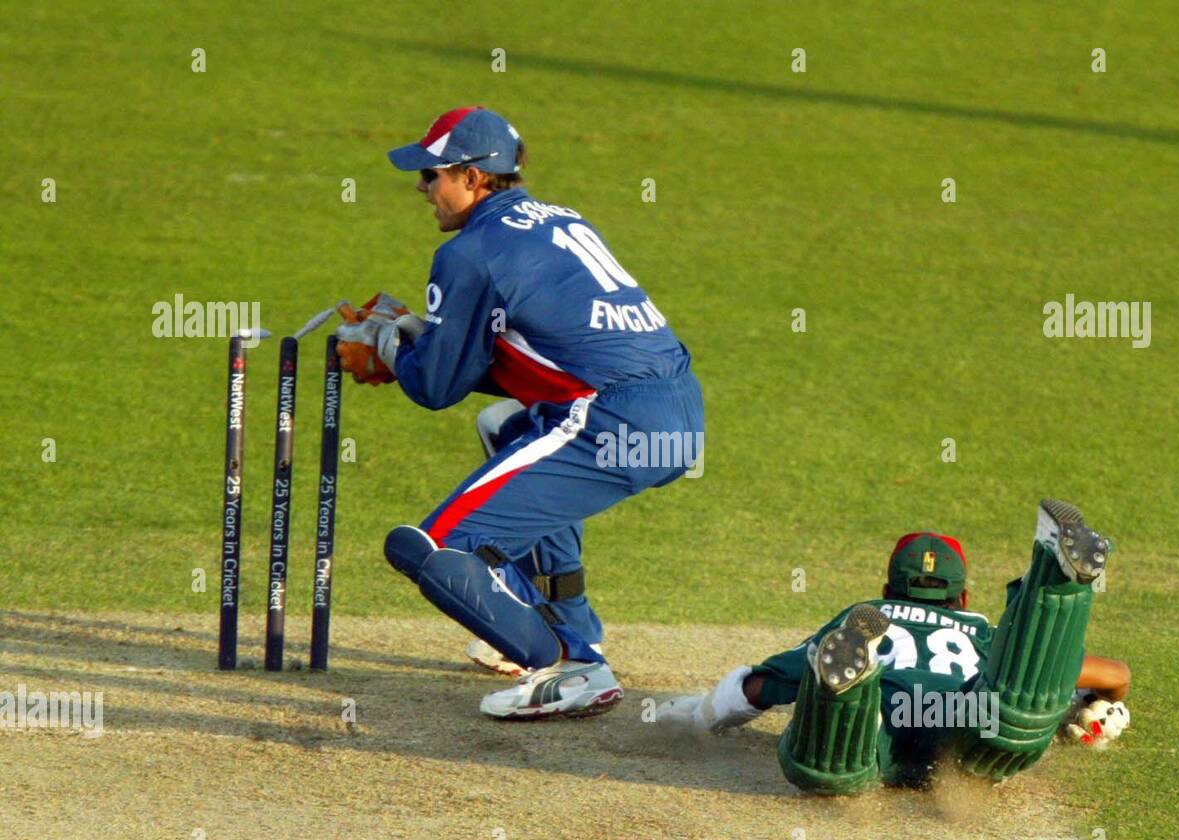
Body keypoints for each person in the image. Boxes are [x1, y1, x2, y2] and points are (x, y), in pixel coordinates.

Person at [335, 106, 704, 720]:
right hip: (676, 413)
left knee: (433, 549)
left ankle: (569, 665)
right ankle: (566, 625)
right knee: (506, 426)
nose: (422, 188)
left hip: (607, 417)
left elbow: (435, 386)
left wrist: (390, 348)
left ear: (473, 178)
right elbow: (538, 353)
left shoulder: (469, 253)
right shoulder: (558, 218)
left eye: (432, 174)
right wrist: (411, 333)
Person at [658, 500, 1131, 792]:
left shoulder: (866, 614)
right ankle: (1055, 577)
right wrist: (1082, 703)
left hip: (884, 726)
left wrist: (699, 718)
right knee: (1014, 700)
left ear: (887, 593)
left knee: (828, 765)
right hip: (961, 726)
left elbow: (759, 688)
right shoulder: (978, 628)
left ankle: (850, 696)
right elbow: (1118, 675)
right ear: (962, 597)